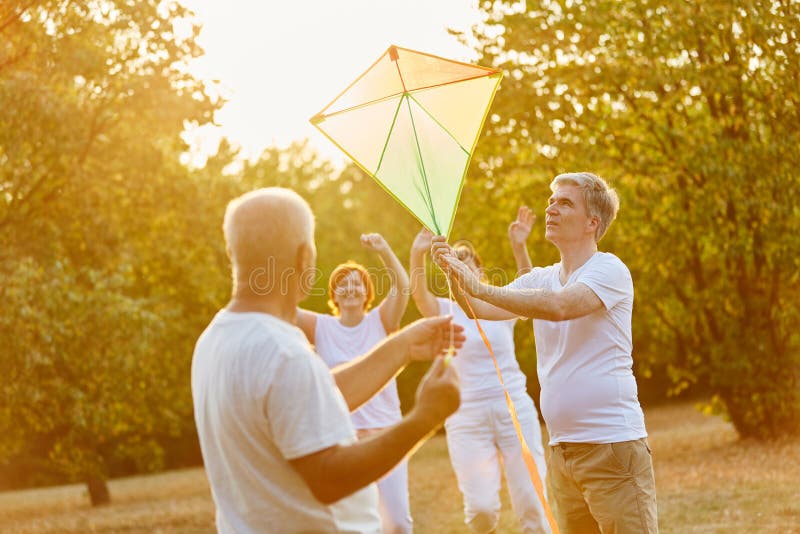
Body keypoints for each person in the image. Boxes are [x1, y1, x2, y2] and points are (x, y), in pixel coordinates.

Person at [192, 187, 463, 533]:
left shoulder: (214, 339)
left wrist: (402, 347)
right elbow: (329, 478)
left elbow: (309, 397)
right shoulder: (284, 354)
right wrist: (424, 418)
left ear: (232, 252)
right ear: (304, 257)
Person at [431, 173, 658, 534]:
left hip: (612, 448)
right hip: (562, 453)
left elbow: (559, 306)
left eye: (565, 203)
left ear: (592, 223)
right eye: (552, 201)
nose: (551, 208)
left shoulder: (609, 269)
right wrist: (451, 273)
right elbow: (477, 309)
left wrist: (477, 285)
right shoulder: (540, 278)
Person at [409, 208, 550, 534]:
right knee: (481, 511)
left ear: (479, 270)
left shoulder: (499, 303)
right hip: (466, 417)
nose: (459, 264)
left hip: (513, 408)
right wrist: (418, 253)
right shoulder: (445, 310)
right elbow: (419, 295)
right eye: (453, 261)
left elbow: (529, 294)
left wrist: (519, 246)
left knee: (532, 501)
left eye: (466, 260)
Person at [295, 233, 413, 533]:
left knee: (398, 522)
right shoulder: (320, 327)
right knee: (356, 525)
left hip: (386, 434)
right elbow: (280, 309)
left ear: (366, 292)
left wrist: (383, 249)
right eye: (342, 284)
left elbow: (403, 286)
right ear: (334, 296)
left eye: (356, 283)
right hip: (342, 440)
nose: (350, 288)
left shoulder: (381, 321)